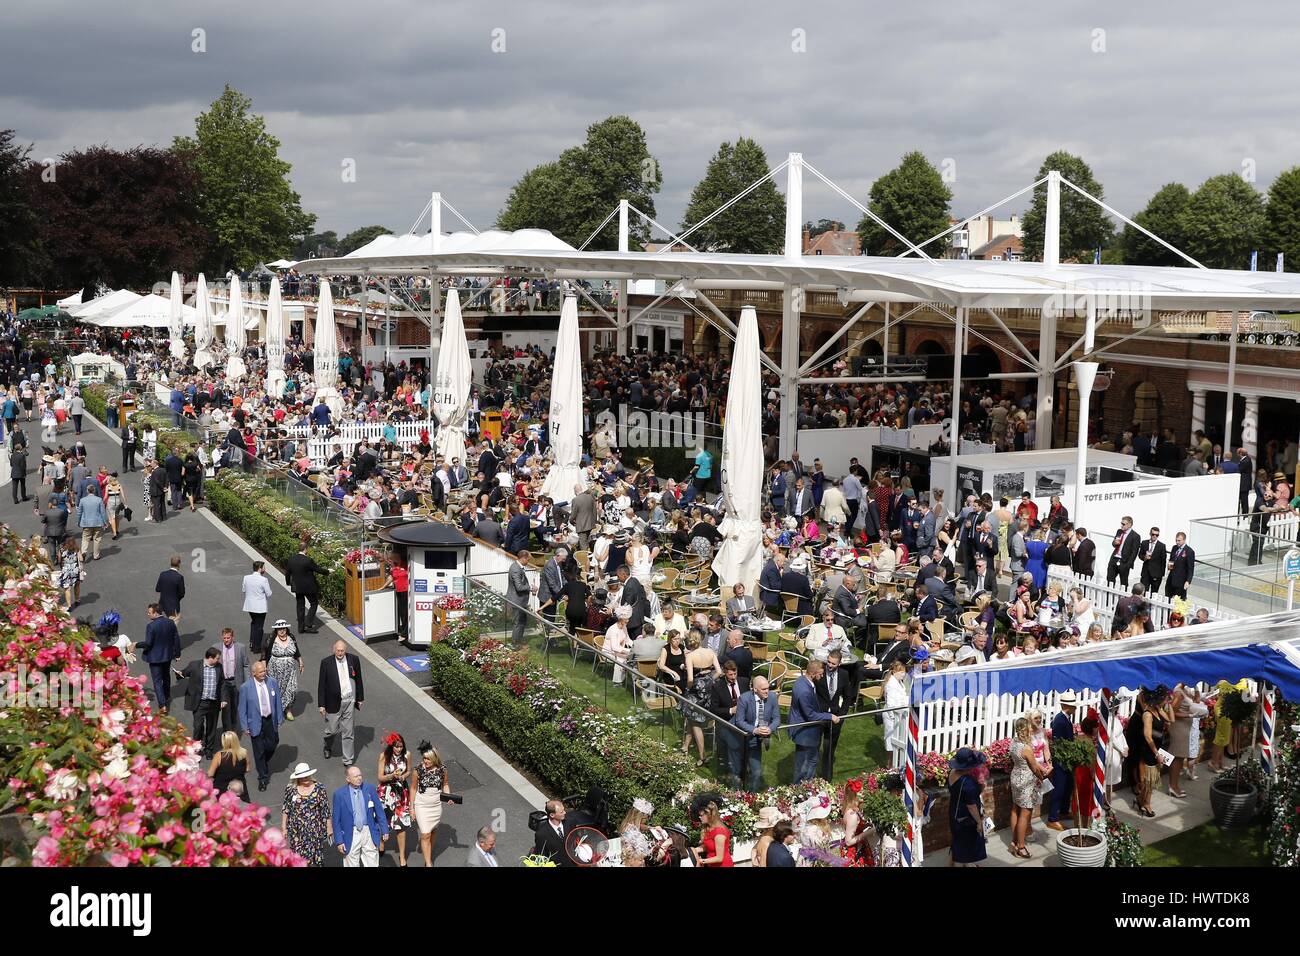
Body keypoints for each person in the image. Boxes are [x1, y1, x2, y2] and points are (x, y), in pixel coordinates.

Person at [789, 659, 839, 784]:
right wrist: (829, 716)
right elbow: (810, 715)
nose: (822, 676)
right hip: (805, 733)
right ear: (812, 673)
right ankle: (801, 789)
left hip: (805, 732)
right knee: (804, 764)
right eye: (820, 674)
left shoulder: (802, 681)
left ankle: (807, 786)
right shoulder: (804, 691)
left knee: (811, 760)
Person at [238, 660, 285, 792]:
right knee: (258, 751)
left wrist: (280, 717)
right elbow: (242, 709)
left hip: (270, 720)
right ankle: (263, 778)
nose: (264, 673)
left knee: (273, 742)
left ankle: (263, 762)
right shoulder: (246, 687)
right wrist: (244, 726)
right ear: (254, 673)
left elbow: (277, 702)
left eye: (265, 670)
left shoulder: (272, 682)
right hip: (255, 722)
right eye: (261, 672)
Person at [174, 646, 228, 758]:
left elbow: (222, 683)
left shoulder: (219, 667)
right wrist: (178, 674)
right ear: (210, 657)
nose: (219, 660)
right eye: (217, 658)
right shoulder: (195, 665)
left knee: (211, 727)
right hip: (200, 703)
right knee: (198, 726)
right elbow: (184, 673)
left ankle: (209, 750)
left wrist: (223, 699)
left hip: (213, 702)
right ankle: (196, 748)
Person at [1124, 686, 1170, 818]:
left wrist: (1167, 707)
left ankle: (1141, 800)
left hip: (1156, 748)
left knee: (1151, 780)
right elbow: (1147, 736)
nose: (1165, 700)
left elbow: (1170, 719)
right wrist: (1156, 753)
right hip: (1149, 750)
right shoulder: (1148, 713)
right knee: (1149, 779)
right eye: (1164, 698)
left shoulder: (1157, 710)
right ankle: (1146, 803)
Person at [332, 765, 389, 867]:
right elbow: (336, 820)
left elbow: (379, 810)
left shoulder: (370, 789)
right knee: (351, 863)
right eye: (355, 776)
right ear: (348, 779)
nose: (359, 778)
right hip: (351, 832)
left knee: (372, 862)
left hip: (368, 831)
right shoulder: (339, 794)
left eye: (360, 775)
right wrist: (339, 841)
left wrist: (384, 829)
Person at [319, 640, 364, 766]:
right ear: (334, 650)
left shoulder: (353, 660)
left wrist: (360, 698)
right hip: (333, 703)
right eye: (338, 650)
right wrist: (321, 705)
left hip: (349, 700)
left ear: (346, 650)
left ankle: (348, 759)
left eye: (342, 651)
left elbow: (359, 679)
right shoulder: (326, 663)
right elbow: (321, 685)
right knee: (332, 730)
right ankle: (327, 745)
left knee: (348, 731)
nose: (340, 653)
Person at [1009, 716, 1047, 858]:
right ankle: (1021, 846)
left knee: (1015, 808)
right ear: (1025, 729)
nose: (1032, 729)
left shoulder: (1013, 743)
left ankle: (1014, 841)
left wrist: (1041, 769)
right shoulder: (1026, 748)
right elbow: (1034, 768)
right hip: (1026, 782)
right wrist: (1043, 776)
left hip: (1015, 777)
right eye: (1030, 727)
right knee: (1025, 814)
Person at [682, 632, 722, 766]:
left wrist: (688, 689)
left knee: (695, 723)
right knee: (691, 718)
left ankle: (702, 756)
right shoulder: (710, 652)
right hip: (709, 690)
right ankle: (685, 746)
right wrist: (709, 680)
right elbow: (719, 672)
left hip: (696, 692)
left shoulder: (690, 657)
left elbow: (690, 679)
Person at [411, 740, 452, 867]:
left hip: (436, 806)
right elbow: (413, 788)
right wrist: (411, 808)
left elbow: (445, 784)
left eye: (428, 759)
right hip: (421, 805)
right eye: (424, 758)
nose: (425, 761)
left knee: (433, 831)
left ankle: (428, 854)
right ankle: (428, 863)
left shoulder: (442, 769)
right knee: (425, 834)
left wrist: (448, 797)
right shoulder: (418, 770)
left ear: (434, 759)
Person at [282, 762, 331, 867]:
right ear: (298, 778)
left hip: (315, 831)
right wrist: (284, 828)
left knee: (316, 859)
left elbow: (325, 809)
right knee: (299, 859)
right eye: (302, 777)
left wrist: (329, 827)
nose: (305, 778)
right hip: (297, 831)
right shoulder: (290, 789)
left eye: (307, 775)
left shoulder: (319, 788)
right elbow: (286, 809)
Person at [947, 747, 989, 866]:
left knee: (957, 840)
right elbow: (971, 806)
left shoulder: (952, 773)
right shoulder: (968, 783)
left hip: (954, 811)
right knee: (967, 844)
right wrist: (979, 822)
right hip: (965, 816)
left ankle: (954, 864)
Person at [815, 649, 853, 780]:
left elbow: (848, 697)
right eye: (828, 662)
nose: (829, 666)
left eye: (833, 664)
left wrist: (842, 715)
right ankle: (809, 777)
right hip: (819, 716)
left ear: (839, 664)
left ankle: (826, 778)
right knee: (814, 746)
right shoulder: (819, 672)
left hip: (836, 718)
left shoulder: (844, 675)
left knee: (829, 749)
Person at [137, 602, 181, 715]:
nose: (148, 614)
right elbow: (176, 638)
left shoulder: (151, 626)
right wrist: (177, 653)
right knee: (166, 676)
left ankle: (162, 705)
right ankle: (166, 696)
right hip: (167, 656)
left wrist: (136, 644)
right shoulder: (170, 623)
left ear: (156, 613)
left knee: (157, 681)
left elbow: (148, 644)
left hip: (155, 658)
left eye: (149, 612)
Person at [377, 733, 413, 866]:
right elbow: (380, 777)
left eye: (401, 746)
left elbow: (409, 770)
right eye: (396, 747)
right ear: (391, 746)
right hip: (386, 792)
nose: (398, 749)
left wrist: (403, 776)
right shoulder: (384, 757)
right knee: (383, 820)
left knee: (401, 824)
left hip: (401, 792)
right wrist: (391, 775)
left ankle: (402, 857)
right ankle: (381, 843)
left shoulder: (407, 755)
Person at [1045, 692, 1077, 830]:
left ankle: (1063, 810)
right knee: (1059, 788)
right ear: (1069, 706)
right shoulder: (1060, 720)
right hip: (1062, 761)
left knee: (1068, 786)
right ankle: (1052, 818)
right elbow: (1059, 742)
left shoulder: (1065, 718)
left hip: (1067, 760)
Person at [263, 619, 303, 721]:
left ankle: (287, 709)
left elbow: (296, 651)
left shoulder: (291, 637)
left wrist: (300, 662)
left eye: (284, 628)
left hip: (290, 670)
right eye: (279, 629)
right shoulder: (271, 638)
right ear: (276, 630)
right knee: (277, 690)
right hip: (275, 669)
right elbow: (264, 653)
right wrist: (264, 667)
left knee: (292, 689)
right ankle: (277, 710)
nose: (282, 631)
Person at [286, 538, 326, 633]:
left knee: (300, 606)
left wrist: (288, 582)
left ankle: (301, 627)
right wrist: (328, 572)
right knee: (314, 603)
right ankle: (308, 623)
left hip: (297, 587)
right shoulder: (308, 560)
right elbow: (318, 569)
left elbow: (287, 573)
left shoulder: (291, 559)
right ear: (306, 549)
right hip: (309, 587)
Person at [241, 560, 274, 653]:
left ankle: (252, 642)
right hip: (260, 607)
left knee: (254, 623)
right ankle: (256, 646)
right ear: (260, 569)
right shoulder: (263, 580)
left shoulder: (246, 578)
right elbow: (269, 593)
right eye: (264, 567)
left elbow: (244, 590)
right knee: (259, 627)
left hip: (249, 606)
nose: (265, 569)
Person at [693, 795, 733, 867]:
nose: (700, 817)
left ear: (709, 815)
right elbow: (707, 846)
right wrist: (691, 851)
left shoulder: (719, 832)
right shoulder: (709, 828)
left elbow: (719, 858)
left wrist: (700, 861)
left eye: (701, 815)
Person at [209, 731, 249, 799]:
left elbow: (210, 773)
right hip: (238, 788)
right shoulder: (244, 753)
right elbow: (247, 769)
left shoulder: (219, 755)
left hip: (221, 789)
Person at [533, 799, 573, 866]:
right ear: (552, 815)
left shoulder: (570, 822)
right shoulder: (541, 834)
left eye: (564, 810)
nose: (565, 813)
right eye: (561, 812)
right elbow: (541, 856)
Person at [506, 549, 533, 645]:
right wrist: (530, 588)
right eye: (528, 560)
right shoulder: (516, 569)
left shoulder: (518, 567)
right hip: (516, 601)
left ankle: (519, 641)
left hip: (520, 600)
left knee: (522, 621)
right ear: (523, 558)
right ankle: (515, 643)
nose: (528, 562)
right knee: (518, 623)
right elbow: (519, 587)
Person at [76, 484, 107, 562]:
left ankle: (83, 552)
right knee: (97, 539)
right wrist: (105, 522)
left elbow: (79, 512)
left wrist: (78, 521)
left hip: (86, 523)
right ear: (94, 491)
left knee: (85, 538)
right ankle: (96, 555)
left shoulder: (82, 500)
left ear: (87, 491)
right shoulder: (99, 499)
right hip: (97, 522)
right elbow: (102, 512)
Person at [1107, 516, 1139, 586]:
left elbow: (1134, 552)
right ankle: (1109, 595)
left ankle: (1123, 597)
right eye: (1121, 523)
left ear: (1129, 525)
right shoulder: (1119, 531)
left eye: (1123, 524)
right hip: (1114, 559)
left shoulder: (1135, 536)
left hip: (1124, 562)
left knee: (1123, 583)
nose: (1121, 525)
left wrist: (1128, 565)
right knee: (1110, 579)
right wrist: (1114, 543)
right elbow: (1114, 543)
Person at [155, 554, 186, 622]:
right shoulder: (179, 577)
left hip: (162, 604)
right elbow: (182, 593)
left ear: (170, 563)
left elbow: (157, 589)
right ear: (179, 564)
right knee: (173, 625)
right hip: (173, 606)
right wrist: (176, 599)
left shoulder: (163, 574)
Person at [1165, 532, 1195, 601]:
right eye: (1176, 540)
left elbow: (1191, 568)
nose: (1177, 542)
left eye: (1179, 540)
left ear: (1184, 540)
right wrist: (1169, 567)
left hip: (1181, 581)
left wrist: (1188, 581)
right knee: (1168, 598)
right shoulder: (1174, 548)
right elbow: (1171, 560)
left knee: (1178, 601)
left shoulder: (1189, 551)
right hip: (1171, 578)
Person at [1138, 527, 1167, 593]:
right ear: (1150, 533)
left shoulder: (1162, 546)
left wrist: (1161, 575)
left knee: (1154, 593)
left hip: (1156, 574)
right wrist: (1144, 557)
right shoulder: (1144, 543)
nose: (1155, 536)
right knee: (1143, 591)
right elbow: (1140, 555)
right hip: (1145, 572)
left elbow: (1163, 561)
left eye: (1157, 535)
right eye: (1153, 534)